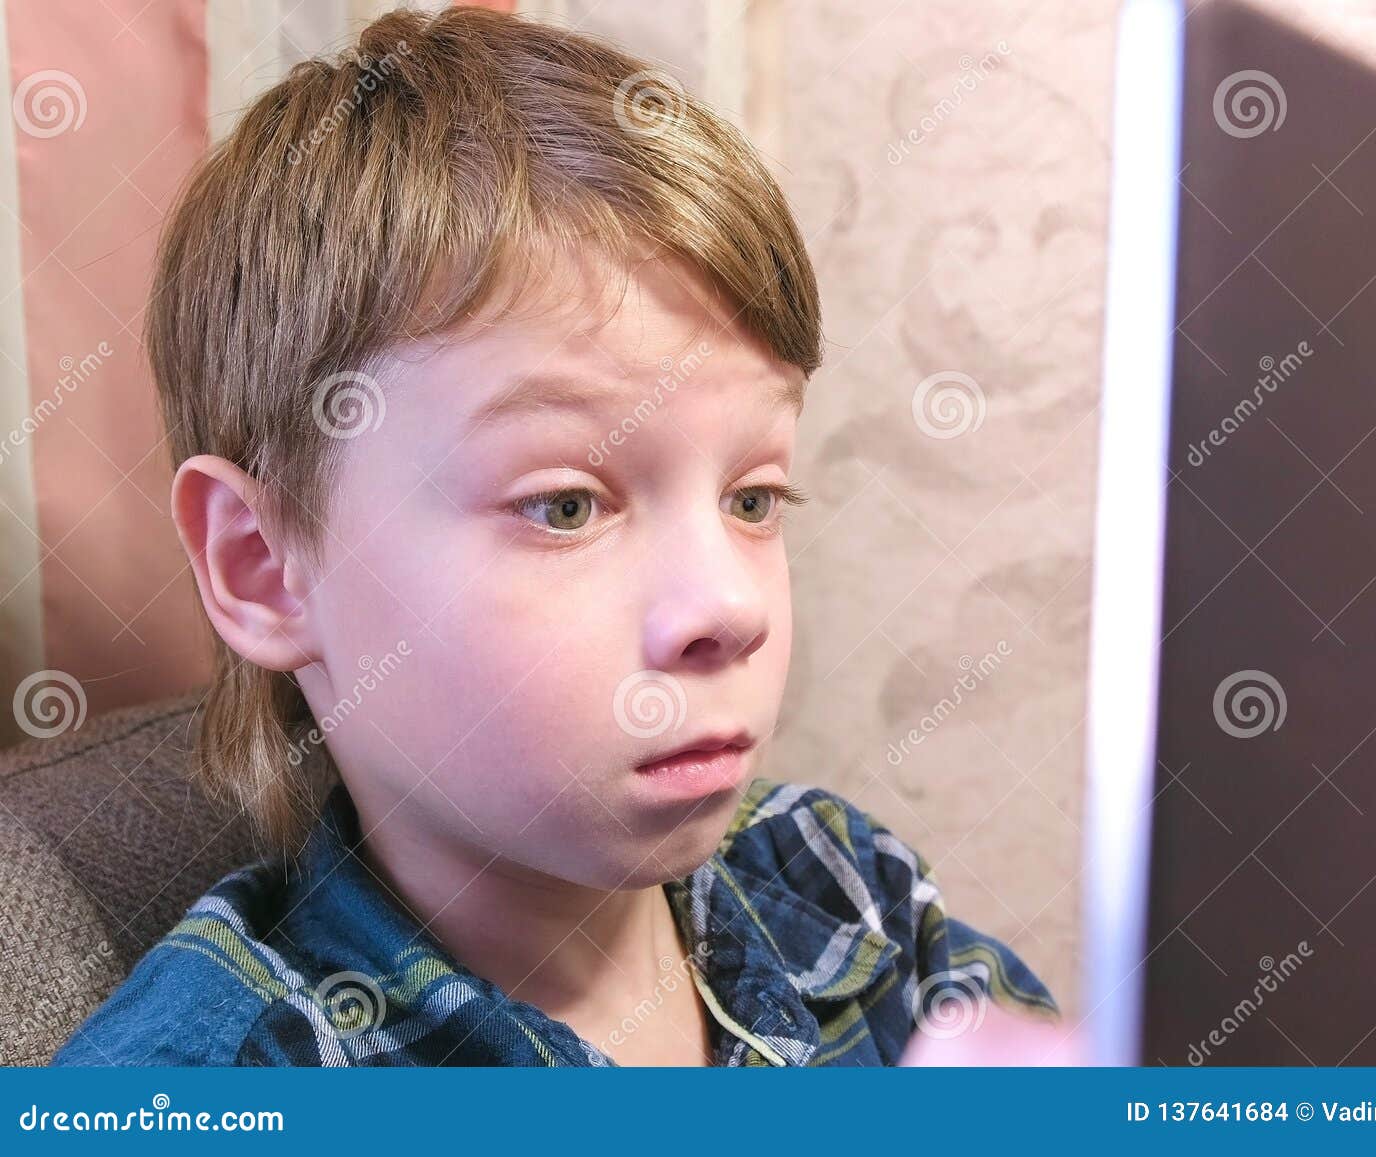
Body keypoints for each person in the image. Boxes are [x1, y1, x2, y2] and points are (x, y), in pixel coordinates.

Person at [51, 5, 1059, 1067]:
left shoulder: (838, 879)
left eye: (753, 498)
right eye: (565, 506)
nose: (730, 607)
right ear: (263, 567)